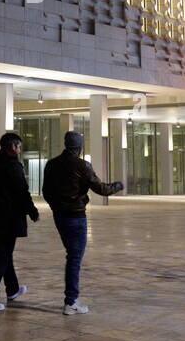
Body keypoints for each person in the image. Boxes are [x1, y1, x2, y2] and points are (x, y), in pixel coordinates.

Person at [41, 131, 124, 315]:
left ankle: (72, 299)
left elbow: (46, 191)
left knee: (72, 255)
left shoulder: (51, 164)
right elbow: (101, 189)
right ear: (79, 147)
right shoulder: (82, 165)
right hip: (76, 217)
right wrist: (118, 185)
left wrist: (57, 206)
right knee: (74, 258)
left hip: (59, 216)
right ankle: (71, 301)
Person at [0, 131, 39, 311]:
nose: (20, 150)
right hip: (8, 219)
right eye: (19, 146)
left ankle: (12, 289)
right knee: (3, 255)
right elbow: (22, 192)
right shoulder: (13, 166)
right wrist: (32, 211)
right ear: (12, 147)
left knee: (5, 253)